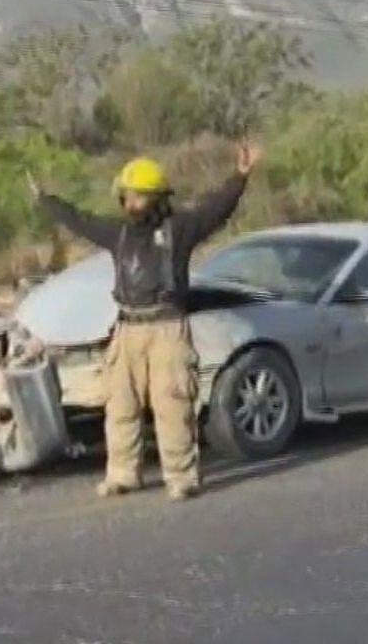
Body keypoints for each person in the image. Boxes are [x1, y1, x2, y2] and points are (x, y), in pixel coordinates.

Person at [28, 143, 259, 500]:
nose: (129, 203)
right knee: (121, 404)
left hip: (167, 328)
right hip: (127, 328)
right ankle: (123, 473)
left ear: (155, 198)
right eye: (126, 196)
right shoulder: (117, 233)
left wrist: (240, 176)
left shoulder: (180, 229)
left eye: (136, 196)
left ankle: (180, 476)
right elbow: (79, 220)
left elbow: (216, 209)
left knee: (173, 403)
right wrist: (46, 200)